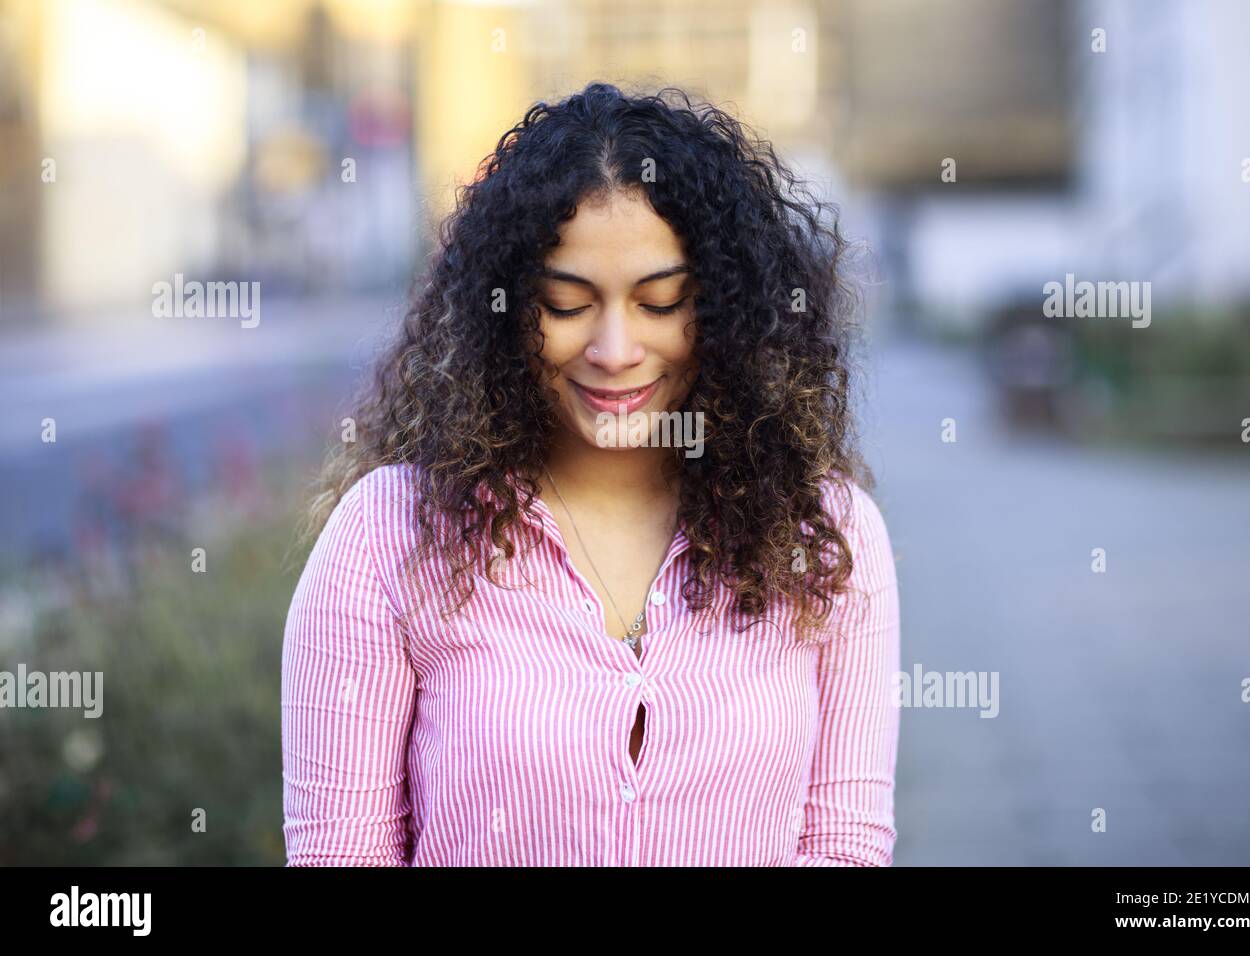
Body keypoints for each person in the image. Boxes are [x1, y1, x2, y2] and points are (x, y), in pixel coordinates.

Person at [281, 81, 900, 866]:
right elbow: (342, 854)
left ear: (727, 307)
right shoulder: (389, 536)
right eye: (567, 305)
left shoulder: (824, 536)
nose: (613, 351)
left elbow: (844, 845)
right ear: (505, 311)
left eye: (661, 301)